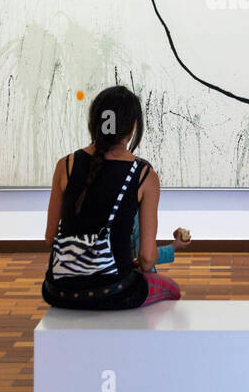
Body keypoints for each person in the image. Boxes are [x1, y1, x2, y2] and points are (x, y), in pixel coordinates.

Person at [42, 85, 181, 309]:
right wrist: (172, 248)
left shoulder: (65, 165)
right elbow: (146, 259)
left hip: (58, 291)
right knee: (172, 289)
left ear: (95, 122)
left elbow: (50, 239)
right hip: (117, 291)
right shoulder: (144, 175)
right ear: (133, 126)